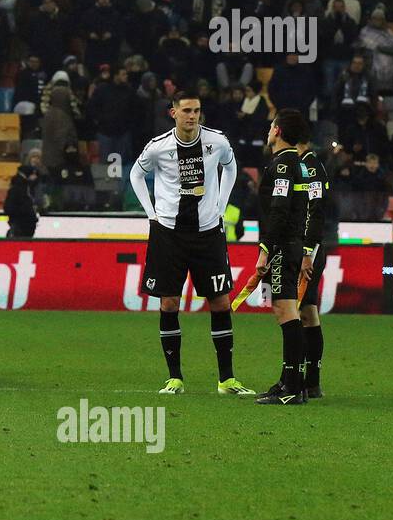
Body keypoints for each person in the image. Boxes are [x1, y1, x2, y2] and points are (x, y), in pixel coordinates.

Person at [129, 90, 253, 396]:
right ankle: (175, 378)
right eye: (186, 110)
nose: (192, 116)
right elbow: (135, 174)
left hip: (208, 232)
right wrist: (152, 215)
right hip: (168, 233)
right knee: (169, 302)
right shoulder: (159, 148)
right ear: (174, 113)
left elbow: (231, 167)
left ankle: (227, 380)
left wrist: (221, 206)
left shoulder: (217, 141)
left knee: (221, 301)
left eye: (196, 110)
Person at [254, 109, 312, 406]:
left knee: (285, 311)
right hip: (291, 243)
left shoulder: (283, 165)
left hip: (283, 245)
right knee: (287, 310)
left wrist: (266, 248)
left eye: (270, 126)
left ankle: (291, 386)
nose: (268, 131)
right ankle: (292, 382)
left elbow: (279, 209)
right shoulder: (295, 164)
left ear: (277, 130)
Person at [297, 139, 331, 399]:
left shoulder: (309, 168)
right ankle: (311, 382)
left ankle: (297, 379)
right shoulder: (306, 165)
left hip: (307, 249)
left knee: (296, 311)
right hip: (306, 246)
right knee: (307, 311)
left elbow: (315, 209)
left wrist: (308, 249)